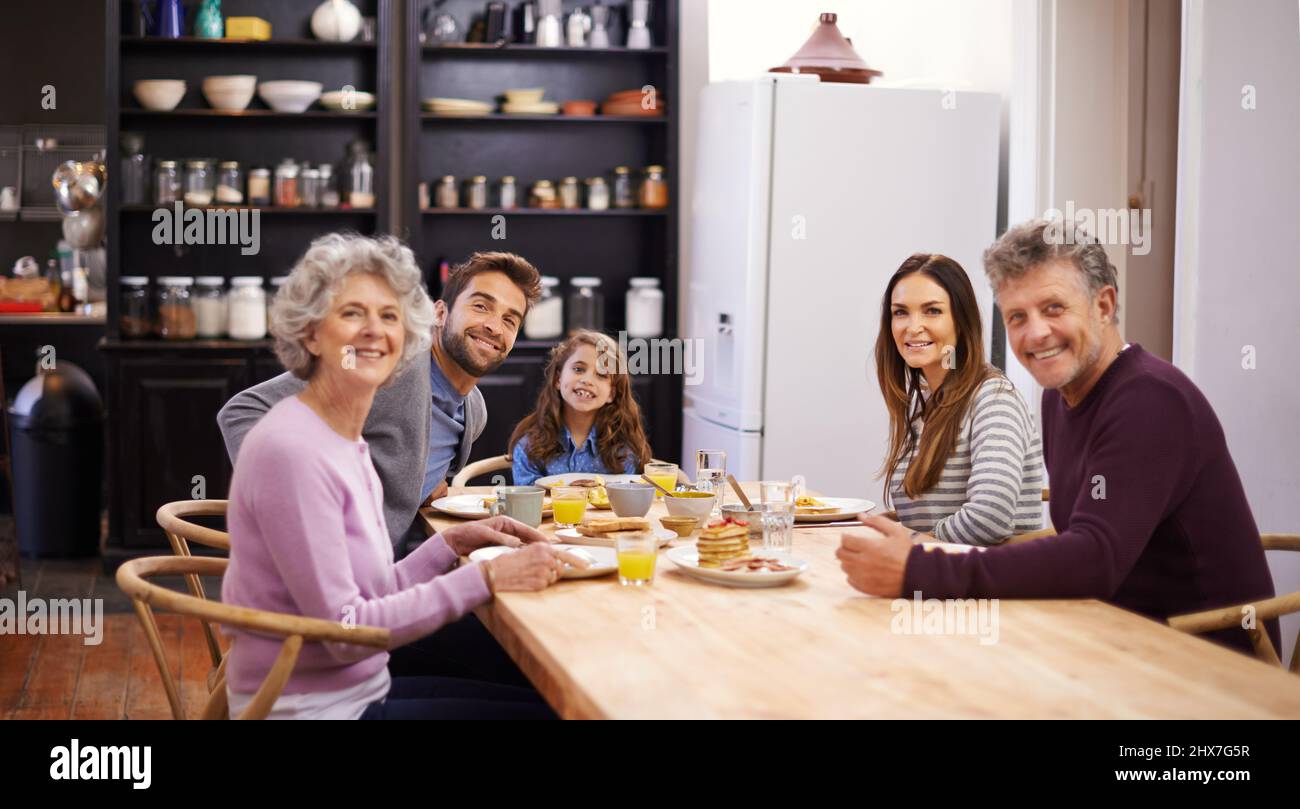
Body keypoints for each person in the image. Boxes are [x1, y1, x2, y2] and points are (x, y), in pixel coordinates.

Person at [839, 220, 1279, 654]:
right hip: (1106, 628)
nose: (1035, 333)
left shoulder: (1149, 398)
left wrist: (923, 568)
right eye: (1016, 316)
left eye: (1053, 308)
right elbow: (1077, 536)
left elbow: (1096, 557)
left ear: (1104, 306)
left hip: (1199, 655)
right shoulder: (1060, 397)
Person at [222, 233, 585, 719]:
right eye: (353, 314)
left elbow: (362, 599)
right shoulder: (298, 449)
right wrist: (282, 504)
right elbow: (345, 627)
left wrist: (450, 545)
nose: (376, 334)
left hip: (355, 668)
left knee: (543, 676)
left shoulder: (353, 445)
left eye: (390, 317)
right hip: (314, 698)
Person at [218, 250, 542, 555]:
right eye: (481, 306)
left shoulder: (474, 410)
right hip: (324, 577)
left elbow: (401, 465)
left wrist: (424, 481)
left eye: (510, 320)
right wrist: (294, 513)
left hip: (383, 574)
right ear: (440, 313)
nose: (494, 326)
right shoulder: (386, 363)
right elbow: (244, 411)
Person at [875, 253, 1043, 545]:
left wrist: (913, 542)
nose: (912, 327)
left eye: (932, 311)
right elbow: (926, 519)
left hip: (987, 584)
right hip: (936, 576)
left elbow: (988, 518)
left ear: (961, 322)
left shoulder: (994, 399)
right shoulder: (923, 405)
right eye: (900, 312)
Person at [509, 331, 652, 486]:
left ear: (612, 393)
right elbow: (527, 503)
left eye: (602, 375)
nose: (587, 380)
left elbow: (623, 502)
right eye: (578, 369)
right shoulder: (528, 446)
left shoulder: (623, 450)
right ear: (558, 378)